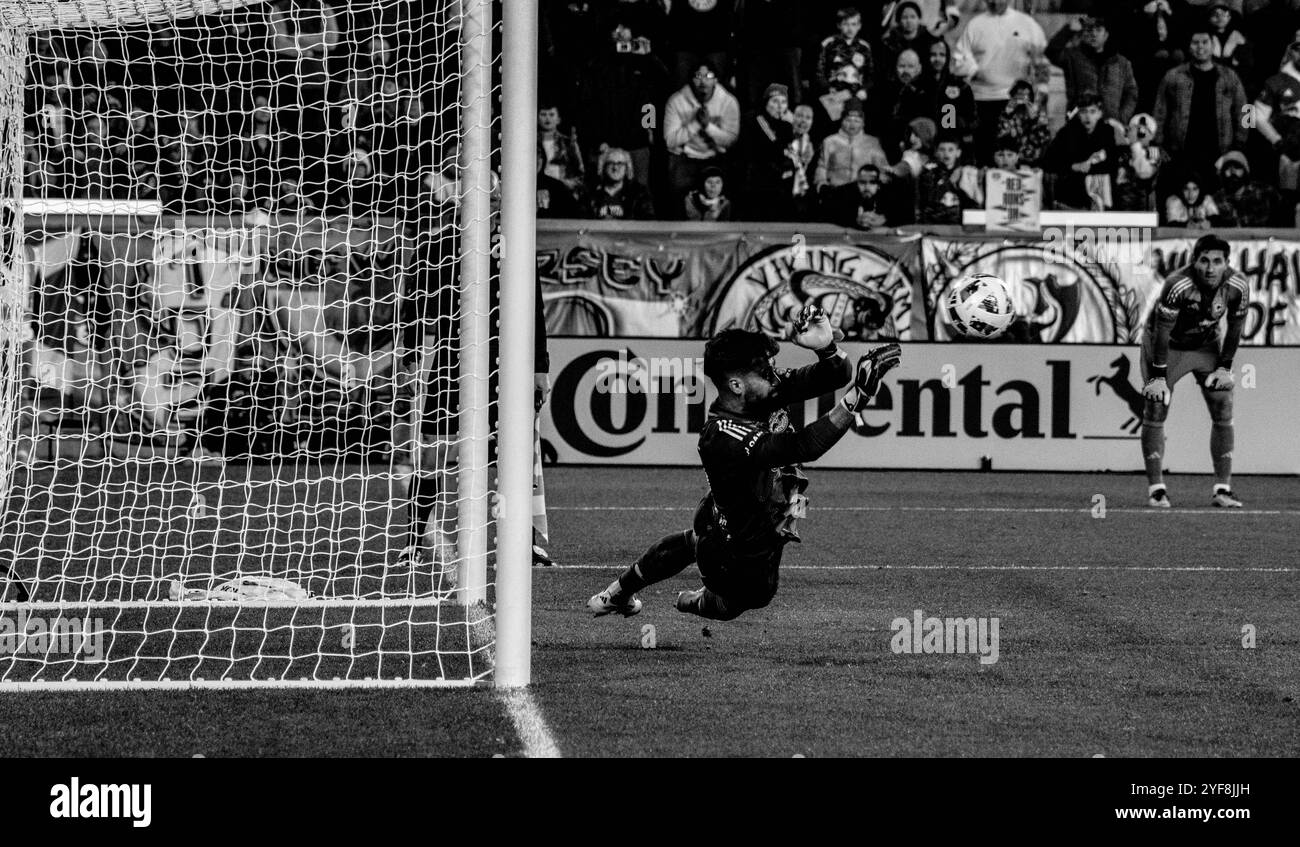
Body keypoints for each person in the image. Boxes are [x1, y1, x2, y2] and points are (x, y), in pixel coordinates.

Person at [587, 306, 902, 621]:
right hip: (739, 549)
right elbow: (806, 445)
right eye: (764, 371)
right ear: (736, 384)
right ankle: (694, 601)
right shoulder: (723, 435)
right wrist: (858, 397)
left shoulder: (756, 394)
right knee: (744, 599)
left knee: (692, 540)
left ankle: (615, 594)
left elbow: (834, 374)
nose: (772, 375)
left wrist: (826, 348)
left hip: (737, 510)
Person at [1139, 233, 1247, 509]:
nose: (1210, 268)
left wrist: (1224, 367)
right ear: (1194, 261)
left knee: (1223, 403)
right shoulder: (1177, 285)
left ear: (1227, 263)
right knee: (1156, 404)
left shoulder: (1237, 286)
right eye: (1204, 261)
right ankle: (1157, 490)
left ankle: (1223, 489)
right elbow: (1162, 331)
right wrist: (1159, 376)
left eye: (1217, 261)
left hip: (1207, 346)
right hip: (1168, 346)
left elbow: (1235, 328)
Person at [1152, 26, 1249, 195]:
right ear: (1189, 47)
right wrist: (1158, 144)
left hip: (1219, 152)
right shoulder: (1173, 76)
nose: (1200, 47)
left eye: (1205, 42)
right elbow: (1159, 111)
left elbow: (1247, 110)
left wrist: (1240, 143)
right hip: (1182, 153)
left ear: (1213, 46)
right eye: (1195, 43)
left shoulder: (1229, 76)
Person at [952, 0, 1047, 162]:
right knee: (986, 154)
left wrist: (1042, 93)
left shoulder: (1027, 24)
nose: (996, 2)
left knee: (1016, 155)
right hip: (982, 100)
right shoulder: (975, 25)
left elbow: (1041, 60)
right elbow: (958, 59)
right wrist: (976, 71)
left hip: (1018, 102)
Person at [663, 61, 741, 212]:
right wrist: (695, 125)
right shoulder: (676, 101)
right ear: (692, 80)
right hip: (686, 157)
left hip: (716, 157)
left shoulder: (728, 101)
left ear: (716, 80)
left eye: (708, 76)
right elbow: (669, 140)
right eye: (698, 76)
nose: (703, 81)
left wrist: (708, 127)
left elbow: (731, 140)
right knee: (677, 202)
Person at [1045, 14, 1138, 126]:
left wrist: (1122, 117)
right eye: (1089, 30)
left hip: (1111, 125)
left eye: (1098, 30)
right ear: (1084, 33)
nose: (1093, 34)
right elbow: (1051, 52)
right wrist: (1068, 29)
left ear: (1106, 35)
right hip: (1079, 124)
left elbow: (1131, 92)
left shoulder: (1121, 63)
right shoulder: (1073, 57)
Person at [1044, 91, 1122, 211]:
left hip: (1103, 196)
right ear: (1078, 113)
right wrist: (1073, 166)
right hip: (1072, 195)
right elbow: (1049, 161)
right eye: (1083, 112)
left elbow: (1113, 164)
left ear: (1100, 114)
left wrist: (1090, 168)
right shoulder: (1067, 132)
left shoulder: (1108, 132)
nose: (1088, 117)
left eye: (1092, 111)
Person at [813, 99, 890, 192]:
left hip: (863, 192)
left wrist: (878, 186)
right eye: (848, 120)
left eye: (857, 121)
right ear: (842, 121)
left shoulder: (872, 142)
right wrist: (821, 185)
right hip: (836, 191)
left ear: (863, 123)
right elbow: (822, 167)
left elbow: (882, 169)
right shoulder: (829, 141)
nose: (852, 124)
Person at [1210, 150, 1280, 226]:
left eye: (1237, 167)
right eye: (1228, 168)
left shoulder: (1265, 191)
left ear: (1245, 170)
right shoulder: (1217, 198)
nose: (1232, 172)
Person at [585, 146, 656, 219]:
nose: (615, 168)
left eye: (620, 163)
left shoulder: (639, 193)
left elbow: (648, 222)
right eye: (611, 163)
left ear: (627, 168)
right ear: (603, 167)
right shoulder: (590, 193)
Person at [822, 163, 889, 229]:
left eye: (872, 182)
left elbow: (896, 215)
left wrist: (884, 219)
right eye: (862, 182)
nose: (867, 187)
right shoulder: (844, 194)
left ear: (878, 185)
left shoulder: (886, 195)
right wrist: (855, 220)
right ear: (857, 183)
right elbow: (831, 214)